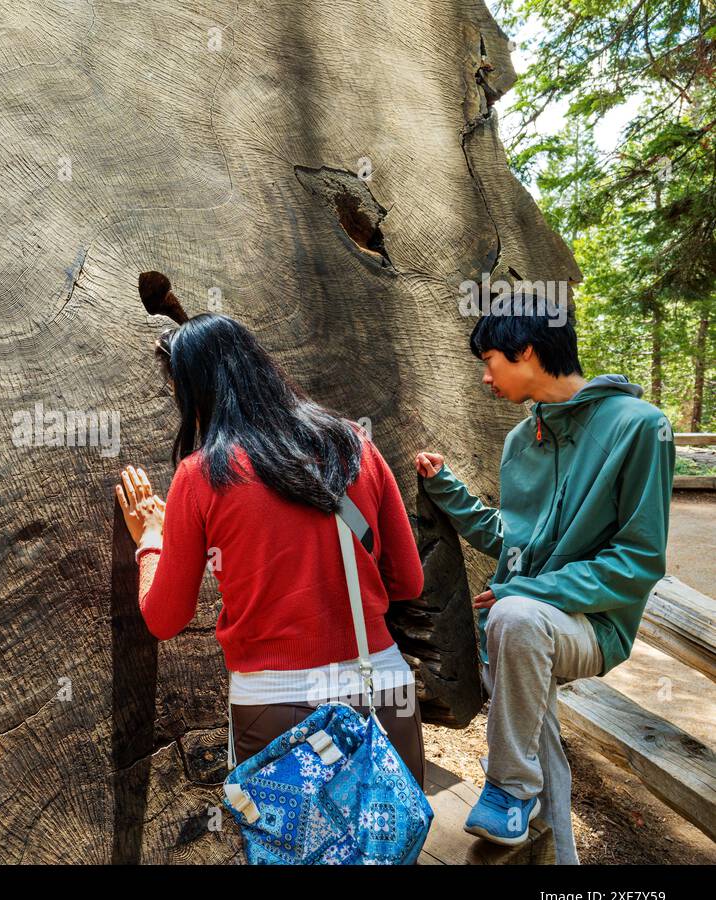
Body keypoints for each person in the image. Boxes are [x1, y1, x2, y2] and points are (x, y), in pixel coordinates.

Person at [414, 292, 673, 864]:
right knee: (534, 713)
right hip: (520, 628)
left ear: (526, 350)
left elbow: (638, 561)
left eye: (489, 361)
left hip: (593, 627)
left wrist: (528, 592)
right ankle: (551, 849)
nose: (485, 377)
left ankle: (508, 788)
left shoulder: (640, 428)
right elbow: (513, 543)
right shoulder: (519, 440)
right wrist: (449, 491)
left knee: (514, 616)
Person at [114, 312, 426, 786]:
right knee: (388, 850)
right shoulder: (353, 444)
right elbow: (409, 581)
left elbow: (164, 618)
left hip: (276, 708)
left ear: (193, 388)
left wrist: (152, 542)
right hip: (382, 695)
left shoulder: (202, 475)